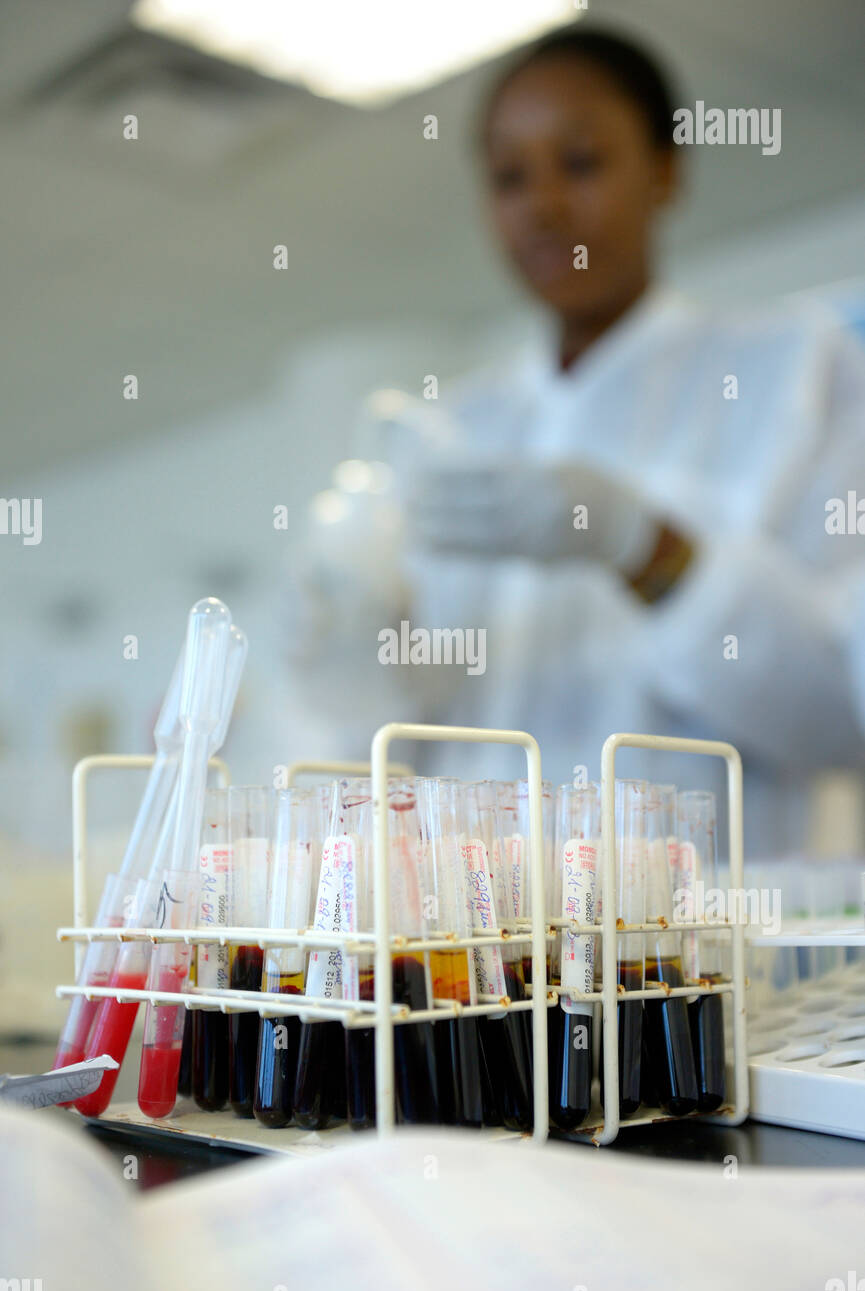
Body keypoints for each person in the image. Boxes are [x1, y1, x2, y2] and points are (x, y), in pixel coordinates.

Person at [288, 25, 865, 854]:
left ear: (666, 171)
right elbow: (391, 749)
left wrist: (649, 548)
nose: (544, 205)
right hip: (475, 957)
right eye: (508, 177)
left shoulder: (796, 375)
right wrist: (346, 645)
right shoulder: (454, 428)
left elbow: (839, 716)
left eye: (582, 161)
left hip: (708, 949)